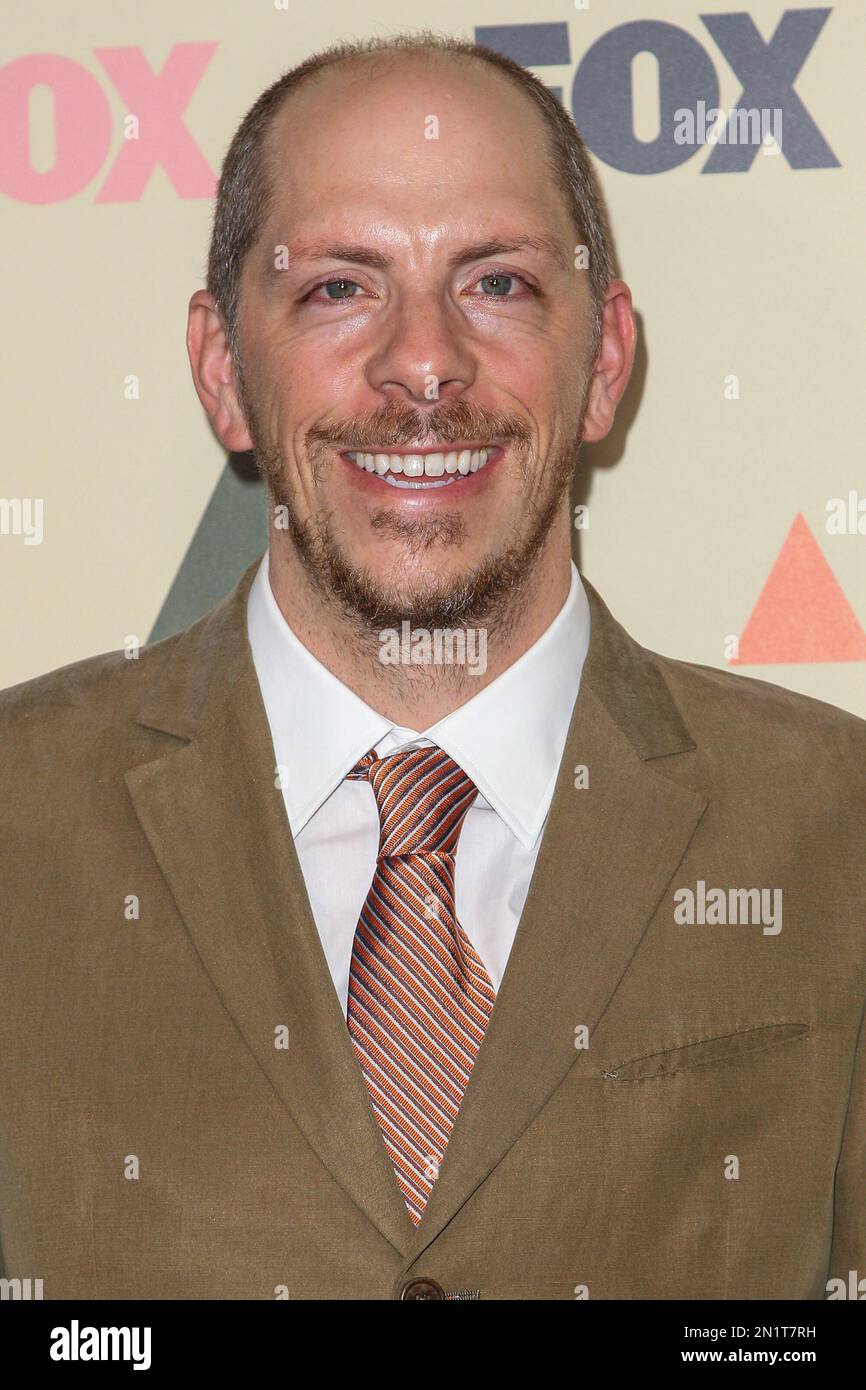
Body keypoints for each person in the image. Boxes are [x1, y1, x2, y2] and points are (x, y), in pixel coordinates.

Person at [1, 32, 863, 1302]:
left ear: (604, 363)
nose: (423, 364)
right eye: (338, 287)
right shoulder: (21, 816)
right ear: (220, 372)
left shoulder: (833, 825)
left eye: (499, 283)